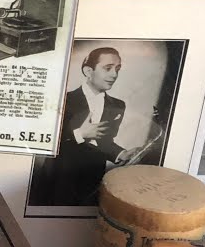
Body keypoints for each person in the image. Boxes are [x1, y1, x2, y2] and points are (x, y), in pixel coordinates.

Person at [49, 47, 141, 205]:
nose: (114, 74)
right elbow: (43, 140)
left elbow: (104, 141)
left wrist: (122, 154)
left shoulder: (118, 105)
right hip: (60, 178)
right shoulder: (63, 100)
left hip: (94, 179)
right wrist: (79, 134)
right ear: (88, 71)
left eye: (117, 69)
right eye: (108, 68)